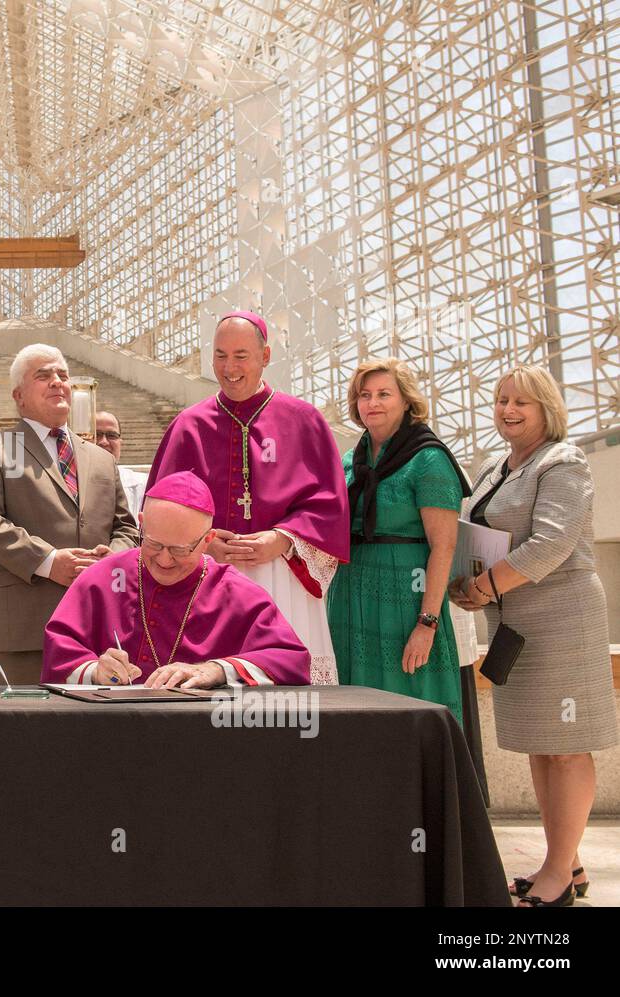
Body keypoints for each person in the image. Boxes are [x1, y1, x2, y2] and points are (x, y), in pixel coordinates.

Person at [450, 364, 618, 908]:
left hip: (562, 620)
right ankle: (566, 861)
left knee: (565, 748)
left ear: (548, 407)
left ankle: (557, 875)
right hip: (513, 622)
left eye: (521, 401)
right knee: (541, 746)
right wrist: (467, 581)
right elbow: (478, 532)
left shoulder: (562, 461)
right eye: (501, 400)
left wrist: (484, 585)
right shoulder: (494, 467)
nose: (508, 410)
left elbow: (551, 543)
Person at [147, 311, 349, 683]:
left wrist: (283, 539)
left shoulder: (304, 420)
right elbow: (161, 510)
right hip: (207, 575)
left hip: (283, 572)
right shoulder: (188, 426)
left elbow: (328, 504)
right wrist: (203, 543)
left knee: (288, 689)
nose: (230, 367)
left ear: (265, 356)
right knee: (204, 683)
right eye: (220, 355)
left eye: (241, 355)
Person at [0, 344, 139, 684]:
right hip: (25, 631)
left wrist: (109, 561)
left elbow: (127, 529)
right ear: (19, 396)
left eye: (63, 375)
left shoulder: (102, 458)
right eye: (43, 376)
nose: (57, 382)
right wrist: (48, 561)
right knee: (24, 718)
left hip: (100, 629)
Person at [43, 471, 310, 686]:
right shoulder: (102, 578)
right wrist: (95, 671)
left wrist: (216, 670)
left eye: (180, 550)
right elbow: (59, 652)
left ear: (208, 540)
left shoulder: (236, 592)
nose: (164, 560)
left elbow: (291, 659)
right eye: (153, 544)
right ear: (141, 523)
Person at [327, 358, 468, 722]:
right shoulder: (350, 460)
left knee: (409, 695)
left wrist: (427, 622)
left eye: (384, 394)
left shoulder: (429, 459)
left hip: (406, 597)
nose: (372, 402)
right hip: (351, 592)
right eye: (365, 395)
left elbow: (444, 546)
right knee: (354, 702)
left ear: (406, 401)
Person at [95, 410, 147, 512]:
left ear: (120, 443)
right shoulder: (71, 486)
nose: (104, 442)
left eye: (112, 435)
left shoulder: (143, 485)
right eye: (97, 434)